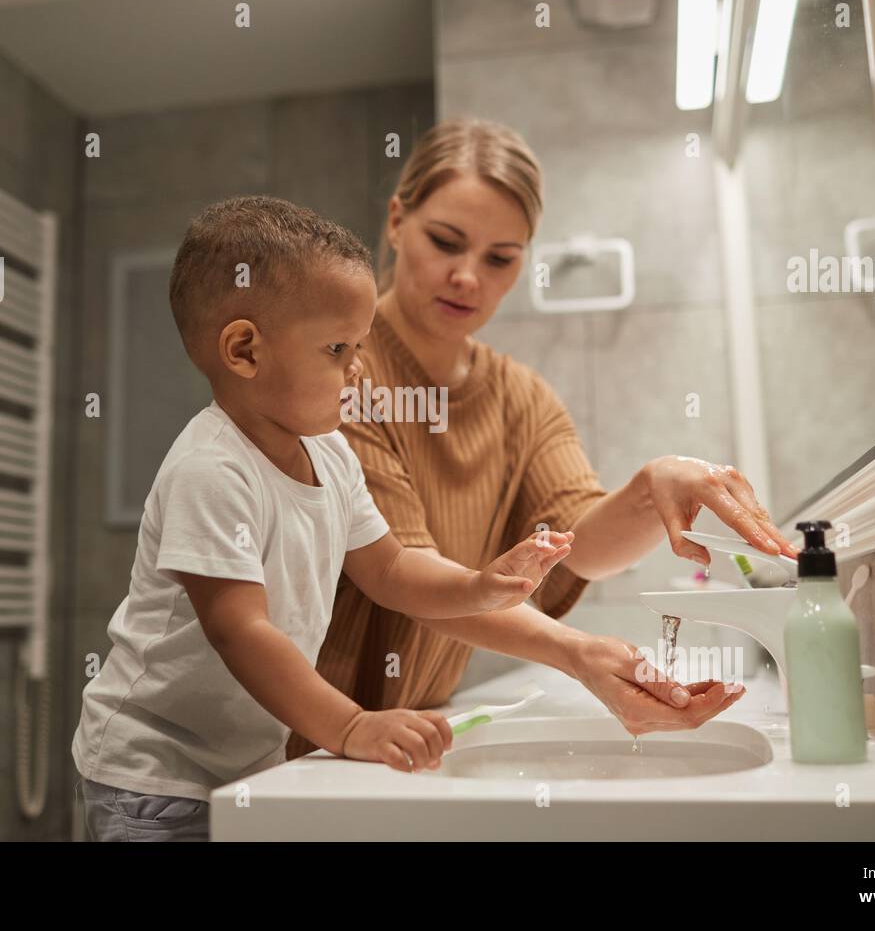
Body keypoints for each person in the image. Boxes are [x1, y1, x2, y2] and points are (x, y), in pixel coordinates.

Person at [286, 119, 798, 761]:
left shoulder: (520, 397)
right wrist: (576, 653)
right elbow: (407, 579)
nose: (468, 277)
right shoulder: (342, 375)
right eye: (446, 242)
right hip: (309, 742)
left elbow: (579, 544)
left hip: (409, 734)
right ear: (396, 220)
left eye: (500, 258)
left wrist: (652, 487)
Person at [72, 196, 573, 841]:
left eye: (359, 345)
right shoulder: (212, 471)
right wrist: (351, 725)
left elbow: (389, 568)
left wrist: (478, 586)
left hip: (237, 764)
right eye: (337, 347)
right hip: (152, 772)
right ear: (245, 350)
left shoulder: (330, 454)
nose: (357, 367)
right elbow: (241, 632)